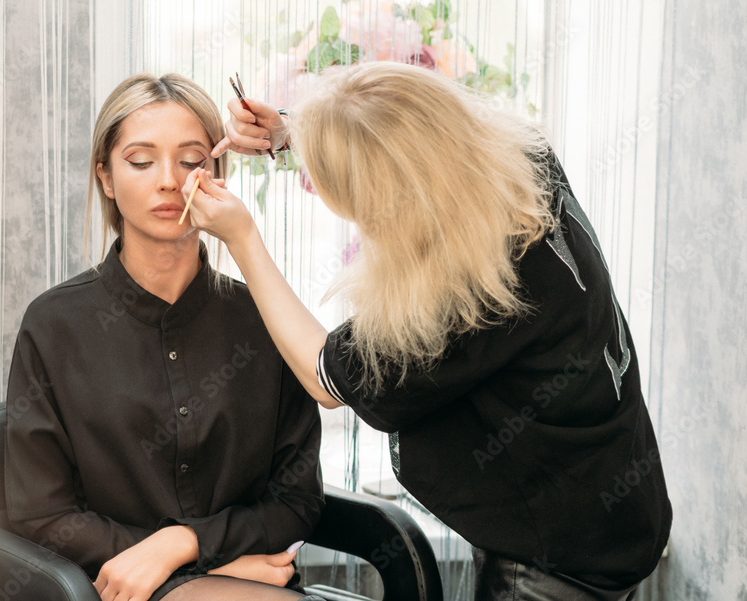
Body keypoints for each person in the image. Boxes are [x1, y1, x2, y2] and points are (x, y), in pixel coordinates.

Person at [182, 61, 671, 601]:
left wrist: (243, 239)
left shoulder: (466, 296)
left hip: (558, 555)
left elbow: (325, 376)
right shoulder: (524, 160)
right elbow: (399, 128)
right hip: (624, 496)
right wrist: (292, 129)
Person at [3, 73, 325, 601]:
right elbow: (44, 516)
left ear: (215, 175)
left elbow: (297, 502)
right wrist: (202, 569)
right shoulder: (54, 326)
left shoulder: (264, 321)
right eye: (141, 161)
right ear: (106, 177)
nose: (170, 181)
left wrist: (184, 546)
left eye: (191, 160)